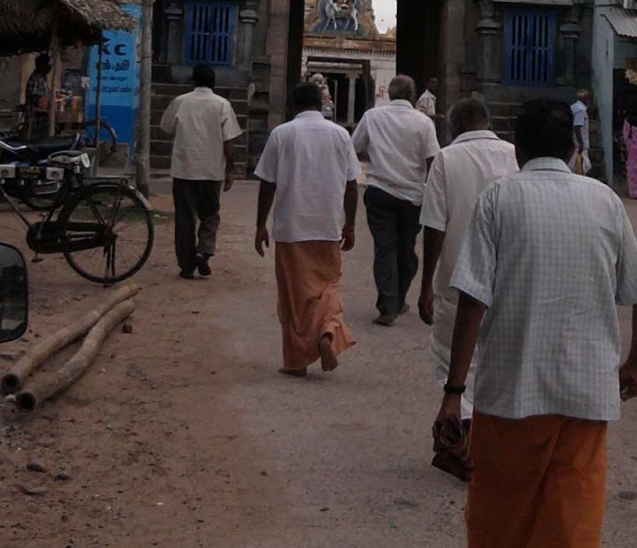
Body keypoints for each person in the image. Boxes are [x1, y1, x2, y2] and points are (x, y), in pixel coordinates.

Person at [437, 98, 637, 548]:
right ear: (572, 149)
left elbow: (472, 300)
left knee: (498, 522)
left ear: (519, 149)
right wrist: (636, 363)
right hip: (586, 397)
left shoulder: (500, 199)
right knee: (572, 530)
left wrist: (453, 391)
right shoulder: (605, 201)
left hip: (511, 394)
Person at [418, 98, 517, 473]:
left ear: (455, 125)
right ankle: (486, 446)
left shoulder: (447, 159)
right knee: (498, 364)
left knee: (456, 365)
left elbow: (434, 225)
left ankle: (465, 448)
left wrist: (426, 284)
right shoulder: (515, 155)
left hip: (457, 282)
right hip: (507, 282)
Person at [254, 80, 359, 376]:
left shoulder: (282, 134)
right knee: (327, 286)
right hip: (328, 226)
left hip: (292, 227)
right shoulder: (340, 135)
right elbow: (352, 184)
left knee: (294, 296)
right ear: (321, 104)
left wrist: (260, 224)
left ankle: (297, 360)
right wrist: (350, 224)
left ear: (293, 105)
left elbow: (267, 184)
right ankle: (328, 331)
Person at [352, 74, 439, 326]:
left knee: (384, 248)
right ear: (412, 95)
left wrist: (376, 156)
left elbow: (354, 147)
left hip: (379, 190)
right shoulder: (423, 122)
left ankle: (388, 305)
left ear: (389, 94)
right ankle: (397, 300)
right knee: (406, 250)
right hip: (413, 196)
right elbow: (433, 159)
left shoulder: (372, 116)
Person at [159, 63, 241, 279]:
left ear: (193, 81)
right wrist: (230, 169)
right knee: (210, 214)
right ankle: (203, 250)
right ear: (214, 82)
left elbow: (166, 127)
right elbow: (229, 142)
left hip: (184, 169)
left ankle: (186, 266)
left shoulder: (180, 102)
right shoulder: (222, 104)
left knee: (185, 218)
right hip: (212, 170)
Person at [23, 53, 53, 138]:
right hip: (35, 117)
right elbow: (34, 97)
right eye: (49, 66)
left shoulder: (42, 79)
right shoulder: (35, 79)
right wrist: (47, 103)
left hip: (42, 116)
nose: (50, 68)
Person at [571, 88, 592, 173]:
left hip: (573, 141)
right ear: (585, 99)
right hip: (579, 143)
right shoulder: (581, 110)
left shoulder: (573, 107)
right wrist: (581, 143)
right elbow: (577, 126)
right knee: (584, 166)